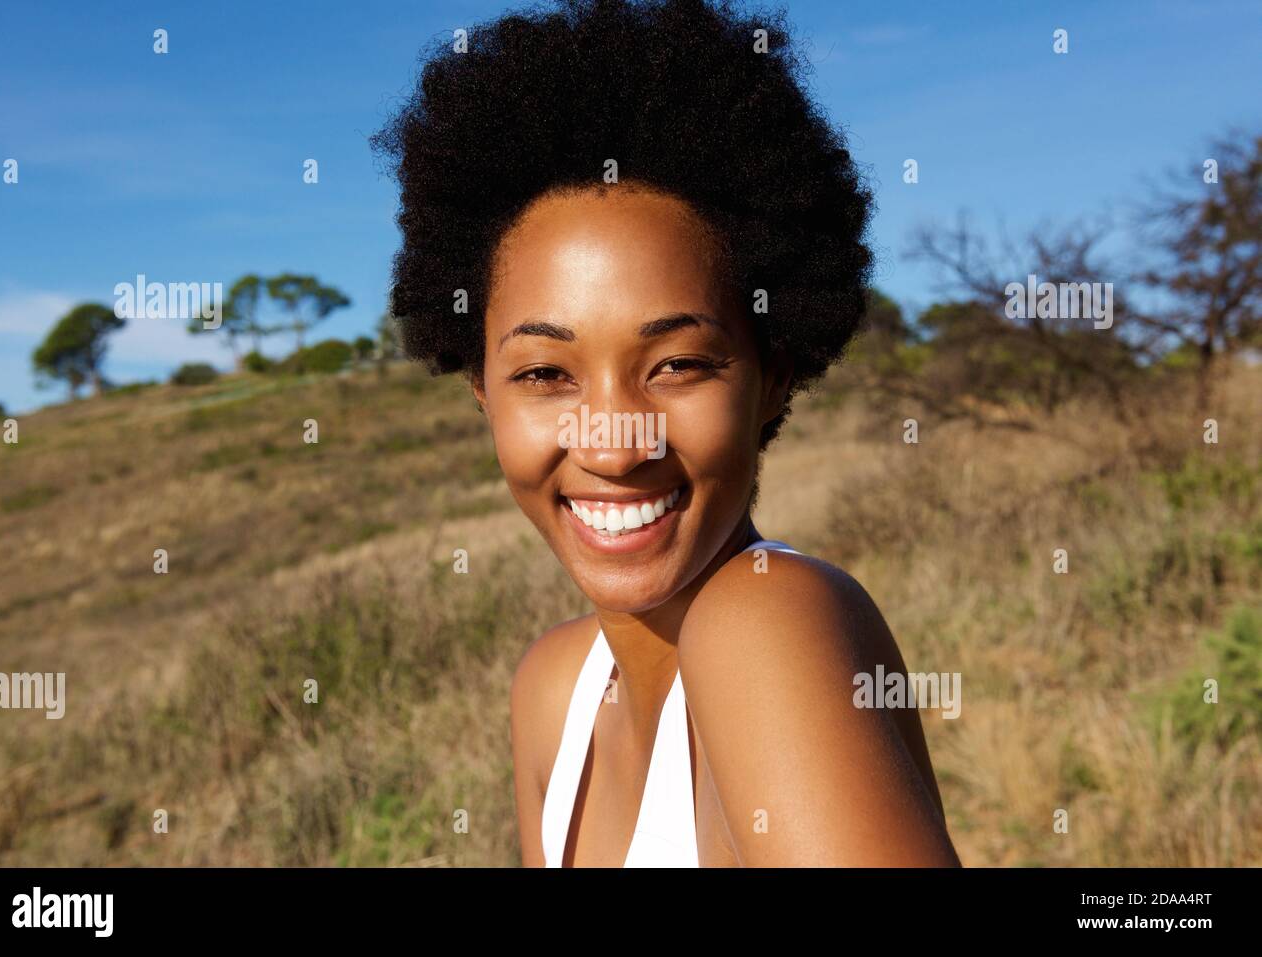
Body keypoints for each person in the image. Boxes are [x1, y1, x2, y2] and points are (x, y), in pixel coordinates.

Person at [372, 0, 961, 867]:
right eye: (545, 374)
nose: (613, 444)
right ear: (482, 393)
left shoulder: (766, 620)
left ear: (775, 374)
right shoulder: (554, 690)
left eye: (678, 364)